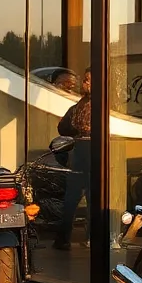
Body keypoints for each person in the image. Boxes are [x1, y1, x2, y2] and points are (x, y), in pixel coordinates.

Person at [54, 68, 92, 250]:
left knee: (78, 197)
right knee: (80, 197)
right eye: (84, 80)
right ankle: (68, 238)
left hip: (86, 152)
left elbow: (64, 126)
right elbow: (63, 127)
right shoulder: (81, 105)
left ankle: (64, 238)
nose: (84, 84)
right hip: (83, 153)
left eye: (88, 80)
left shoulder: (88, 105)